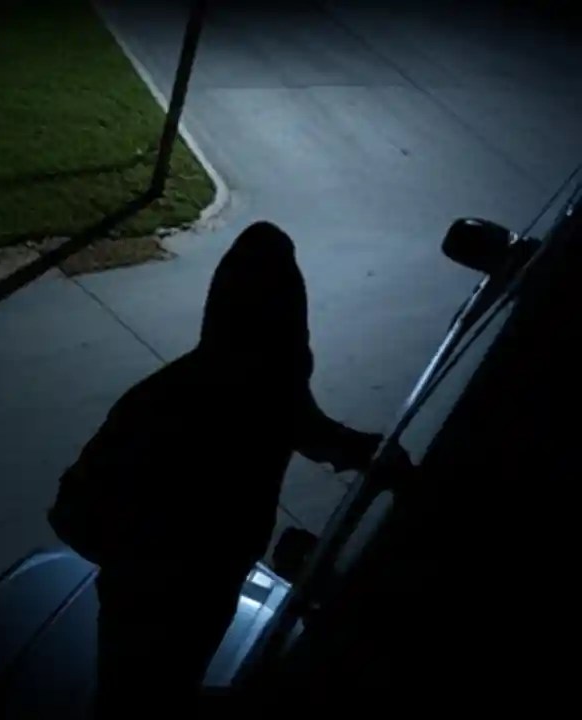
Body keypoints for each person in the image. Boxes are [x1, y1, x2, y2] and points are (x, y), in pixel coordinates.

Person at [46, 221, 382, 713]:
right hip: (182, 596)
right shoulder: (268, 394)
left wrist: (132, 566)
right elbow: (321, 436)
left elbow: (72, 509)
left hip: (159, 600)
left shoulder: (177, 394)